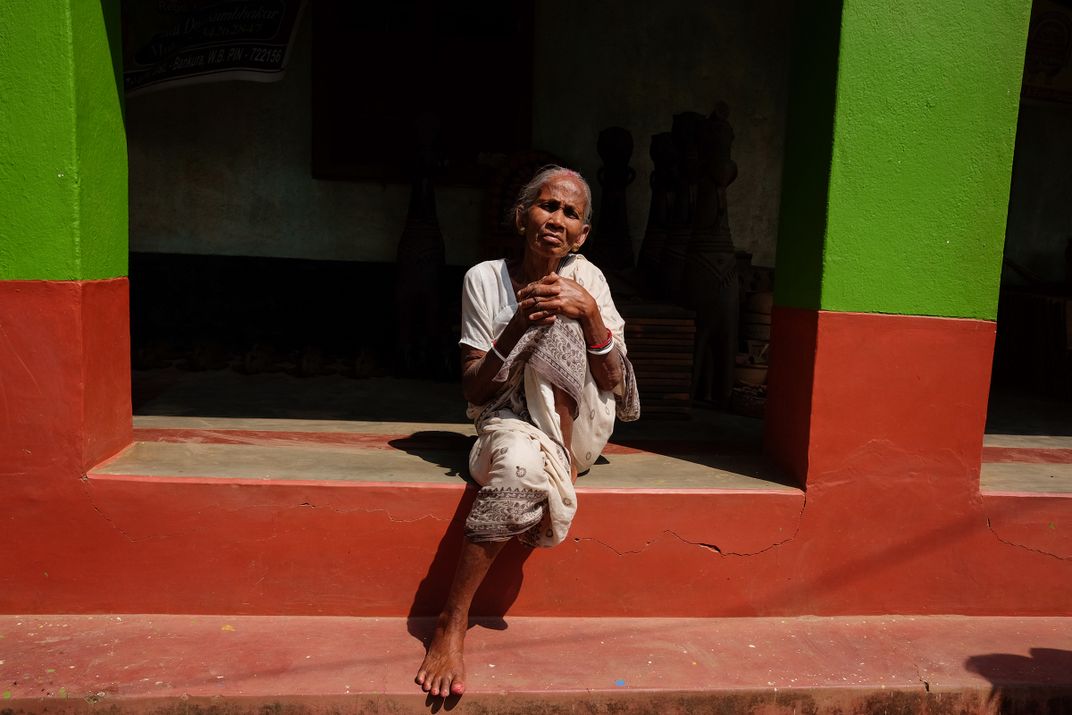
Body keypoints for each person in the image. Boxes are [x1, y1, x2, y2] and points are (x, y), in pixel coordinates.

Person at [415, 166, 639, 697]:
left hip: (576, 432)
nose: (556, 219)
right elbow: (473, 389)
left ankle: (556, 456)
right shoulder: (484, 278)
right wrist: (517, 322)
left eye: (570, 213)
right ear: (521, 217)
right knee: (517, 465)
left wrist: (589, 318)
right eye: (546, 206)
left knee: (533, 459)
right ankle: (452, 620)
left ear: (582, 234)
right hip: (503, 422)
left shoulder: (591, 281)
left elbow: (619, 388)